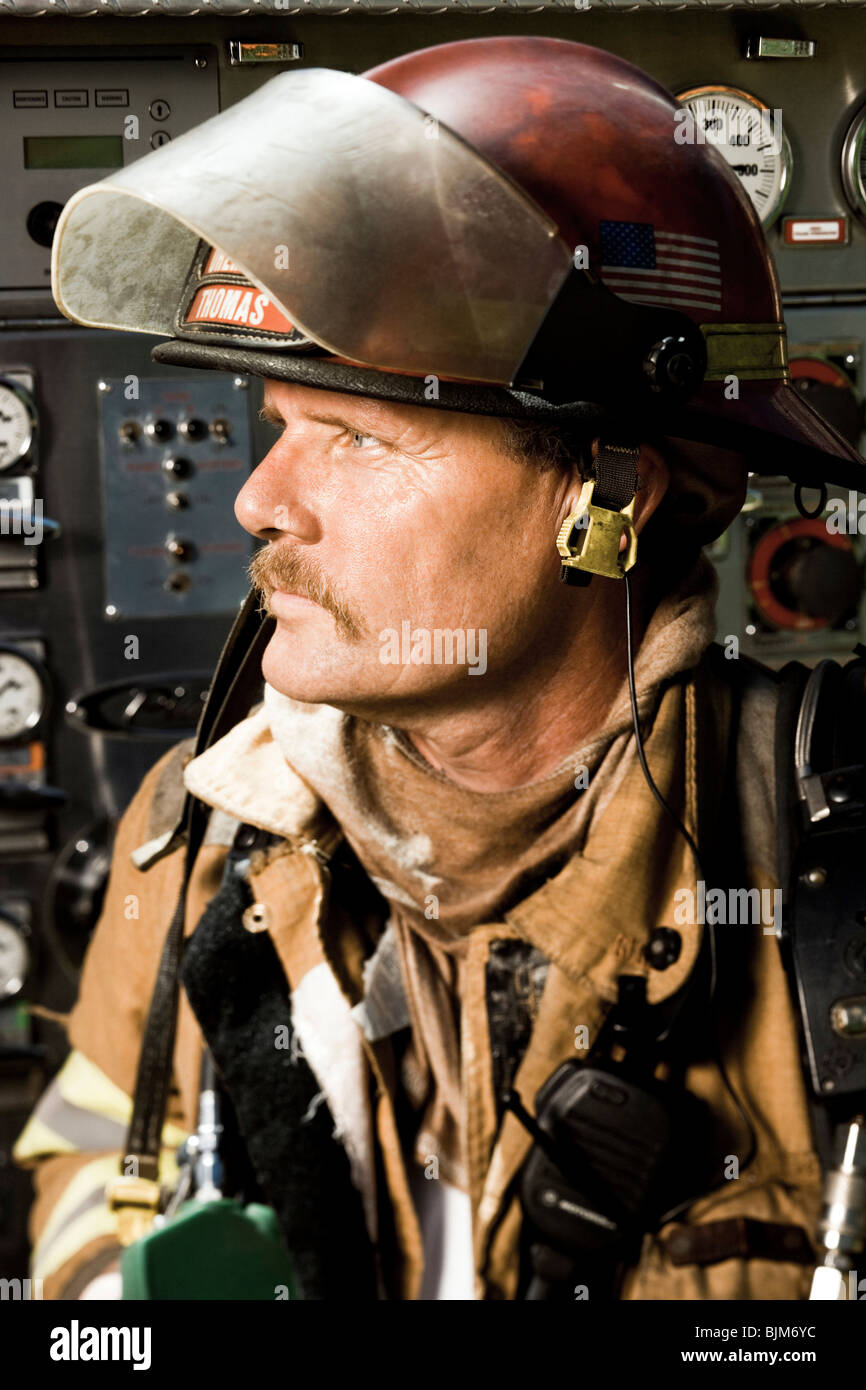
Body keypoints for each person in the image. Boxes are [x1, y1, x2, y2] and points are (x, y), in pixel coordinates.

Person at [14, 35, 866, 1301]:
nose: (255, 500)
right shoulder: (195, 834)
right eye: (276, 426)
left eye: (357, 436)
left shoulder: (826, 861)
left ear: (614, 492)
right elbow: (89, 1138)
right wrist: (108, 1290)